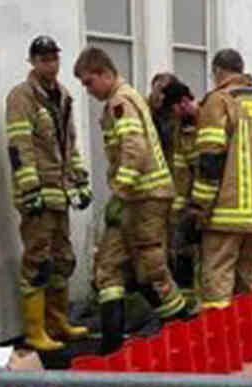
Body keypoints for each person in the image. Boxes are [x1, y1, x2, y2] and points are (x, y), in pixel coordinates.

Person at [74, 46, 186, 353]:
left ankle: (183, 328)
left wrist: (120, 194)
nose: (88, 90)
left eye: (89, 82)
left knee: (151, 270)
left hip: (145, 198)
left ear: (105, 74)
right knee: (108, 268)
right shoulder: (123, 99)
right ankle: (111, 348)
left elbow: (134, 150)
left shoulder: (121, 101)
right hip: (137, 198)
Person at [4, 35, 90, 351]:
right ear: (32, 62)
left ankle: (57, 322)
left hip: (61, 192)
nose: (49, 65)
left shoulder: (63, 96)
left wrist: (80, 181)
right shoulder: (21, 97)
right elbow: (19, 146)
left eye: (53, 58)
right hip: (38, 195)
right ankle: (35, 331)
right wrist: (30, 189)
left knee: (62, 258)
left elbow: (70, 144)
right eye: (43, 59)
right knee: (37, 260)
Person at [190, 48, 252, 310]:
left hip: (226, 212)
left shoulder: (219, 101)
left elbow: (210, 160)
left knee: (217, 282)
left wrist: (199, 207)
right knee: (247, 280)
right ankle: (248, 340)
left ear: (218, 71)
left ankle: (220, 344)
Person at [153, 77, 201, 304]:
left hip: (203, 204)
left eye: (173, 109)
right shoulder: (181, 130)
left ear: (182, 103)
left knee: (202, 260)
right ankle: (189, 306)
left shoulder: (205, 123)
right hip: (187, 204)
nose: (172, 116)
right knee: (182, 255)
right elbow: (181, 173)